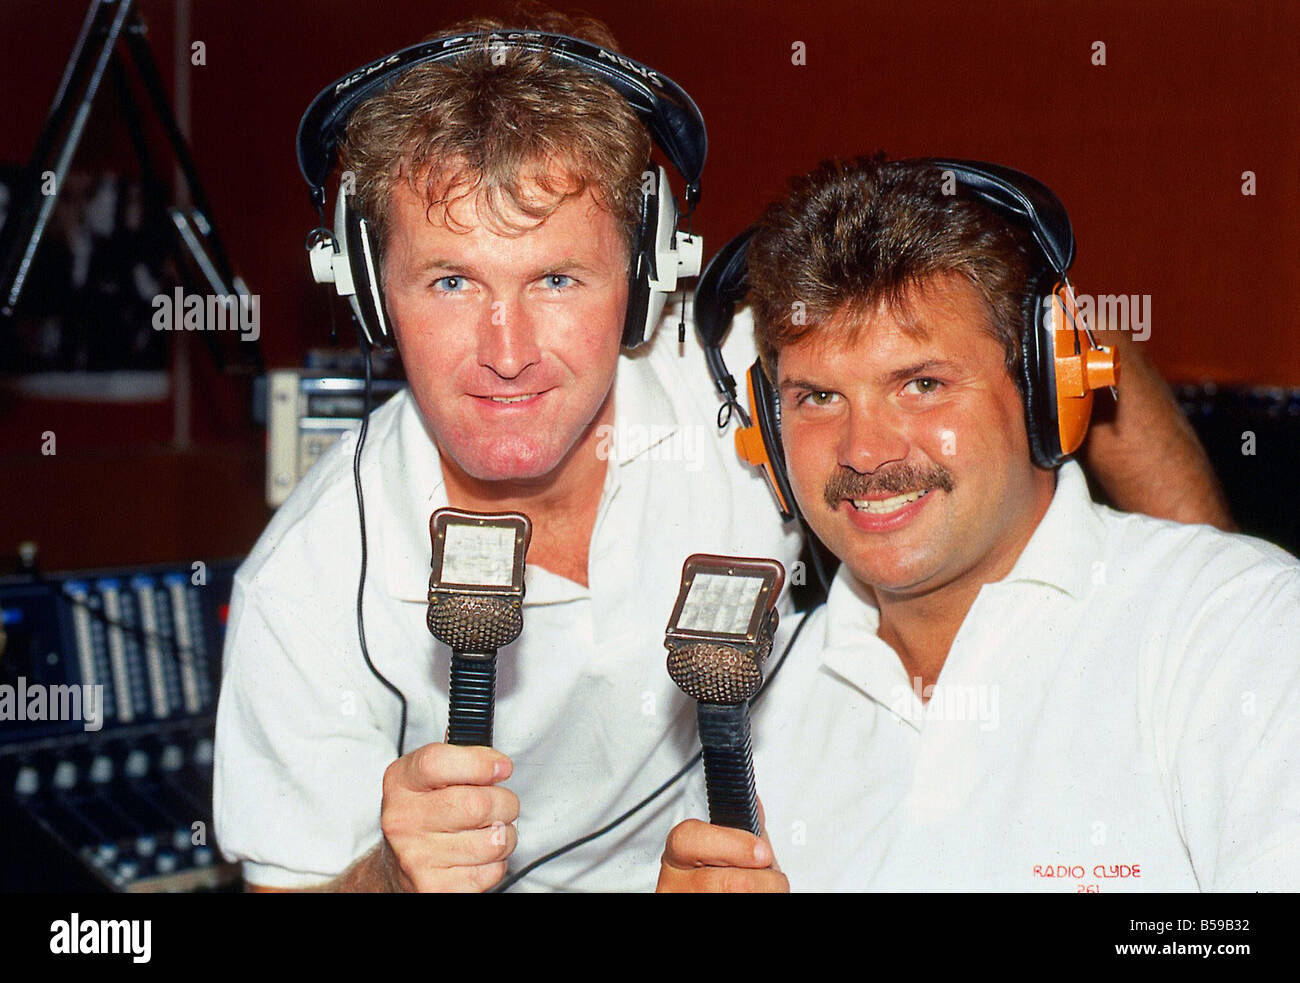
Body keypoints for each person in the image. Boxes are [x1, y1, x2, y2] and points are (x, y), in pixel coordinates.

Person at [215, 10, 1232, 893]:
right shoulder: (304, 591)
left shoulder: (745, 363)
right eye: (449, 281)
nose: (507, 352)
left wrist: (1184, 622)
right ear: (362, 281)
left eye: (558, 279)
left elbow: (1032, 332)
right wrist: (395, 875)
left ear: (650, 268)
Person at [656, 155, 1300, 893]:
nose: (865, 452)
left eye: (922, 384)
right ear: (765, 436)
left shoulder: (1239, 630)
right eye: (819, 398)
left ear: (1047, 386)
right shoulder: (743, 717)